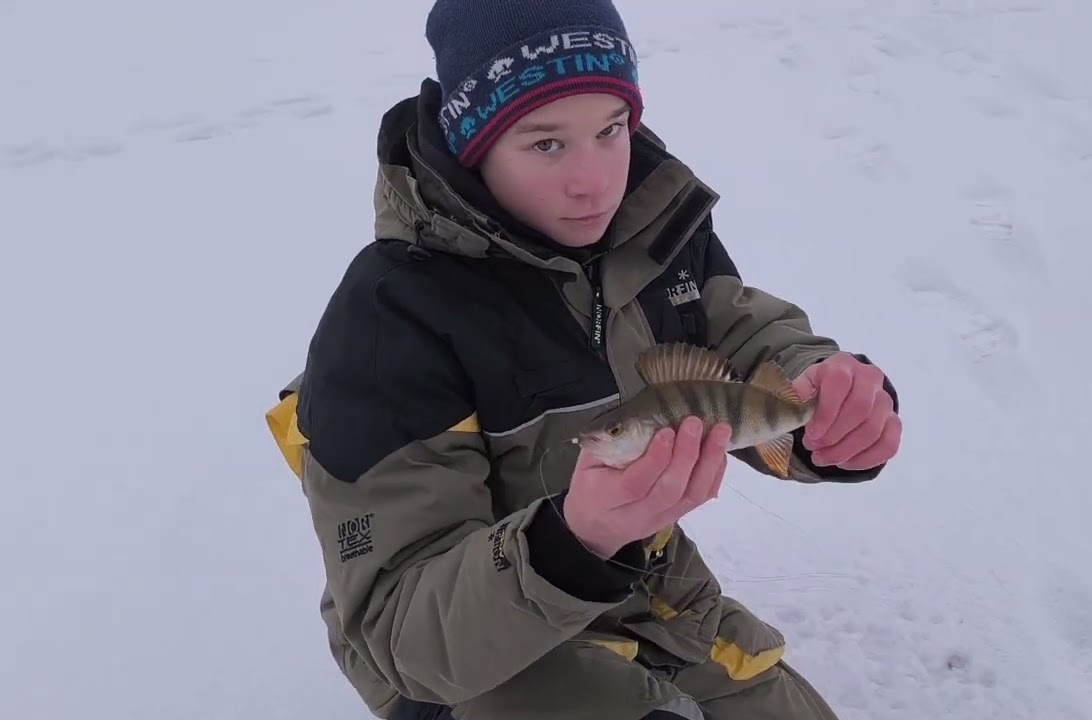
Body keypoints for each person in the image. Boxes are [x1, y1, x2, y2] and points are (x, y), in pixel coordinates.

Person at [264, 0, 903, 718]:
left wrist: (827, 395)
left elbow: (740, 337)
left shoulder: (655, 226)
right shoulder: (391, 321)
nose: (595, 181)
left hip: (651, 594)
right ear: (473, 143)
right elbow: (401, 631)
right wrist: (573, 540)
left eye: (611, 130)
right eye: (546, 144)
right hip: (463, 668)